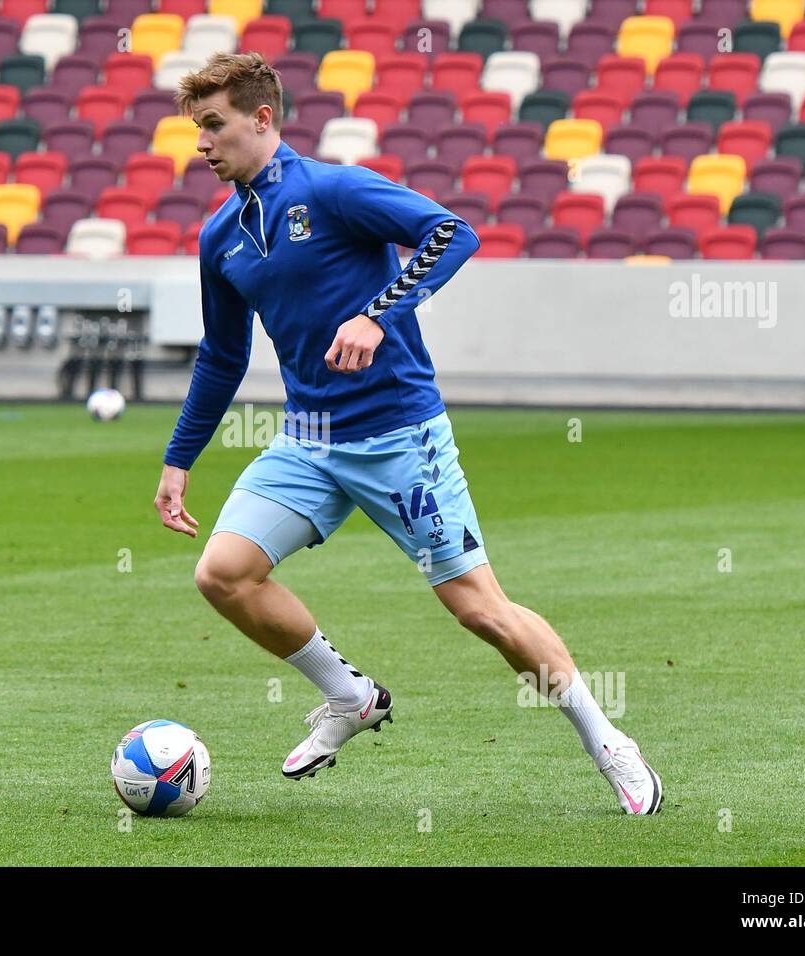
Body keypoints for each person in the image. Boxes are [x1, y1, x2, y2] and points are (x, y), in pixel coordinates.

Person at [154, 52, 662, 814]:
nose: (202, 144)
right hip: (309, 439)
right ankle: (351, 698)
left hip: (399, 436)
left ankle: (607, 743)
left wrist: (376, 313)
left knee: (480, 611)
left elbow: (452, 234)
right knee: (222, 573)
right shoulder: (220, 236)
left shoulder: (331, 189)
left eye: (215, 125)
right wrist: (178, 459)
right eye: (198, 129)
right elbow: (223, 356)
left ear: (263, 119)